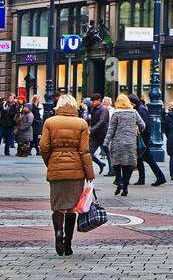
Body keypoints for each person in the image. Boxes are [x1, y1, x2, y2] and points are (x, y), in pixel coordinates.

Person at [39, 93, 95, 257]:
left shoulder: (50, 122)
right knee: (72, 207)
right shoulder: (81, 123)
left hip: (56, 166)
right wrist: (89, 174)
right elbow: (85, 151)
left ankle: (58, 233)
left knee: (58, 206)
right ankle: (68, 243)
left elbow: (44, 146)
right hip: (76, 169)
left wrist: (49, 162)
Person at [103, 93, 141, 196]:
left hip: (117, 143)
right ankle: (125, 187)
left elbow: (111, 130)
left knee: (117, 164)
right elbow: (143, 125)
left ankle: (119, 181)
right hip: (130, 142)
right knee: (128, 165)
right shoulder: (134, 113)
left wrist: (105, 143)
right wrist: (135, 132)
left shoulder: (116, 113)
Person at [129, 93, 166, 187]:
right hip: (143, 137)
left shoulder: (141, 110)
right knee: (140, 159)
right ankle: (143, 179)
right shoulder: (140, 108)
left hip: (143, 138)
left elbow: (143, 125)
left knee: (147, 159)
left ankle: (160, 177)